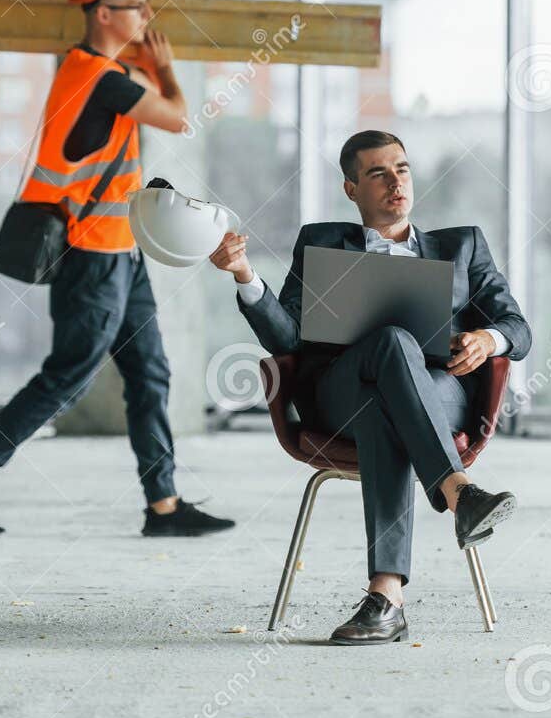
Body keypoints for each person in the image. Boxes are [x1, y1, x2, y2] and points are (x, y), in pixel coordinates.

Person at [0, 0, 235, 540]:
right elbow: (177, 116)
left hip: (121, 251)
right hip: (92, 255)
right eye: (138, 7)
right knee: (67, 377)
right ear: (101, 12)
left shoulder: (104, 74)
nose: (148, 17)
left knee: (150, 374)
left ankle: (164, 506)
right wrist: (166, 69)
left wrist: (141, 58)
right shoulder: (99, 78)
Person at [208, 130, 530, 644]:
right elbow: (287, 335)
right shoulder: (321, 242)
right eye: (377, 173)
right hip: (341, 396)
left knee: (391, 405)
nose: (394, 182)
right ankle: (458, 494)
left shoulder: (462, 244)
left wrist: (488, 341)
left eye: (401, 168)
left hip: (439, 393)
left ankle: (386, 599)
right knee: (389, 343)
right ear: (351, 188)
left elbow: (518, 327)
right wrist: (245, 275)